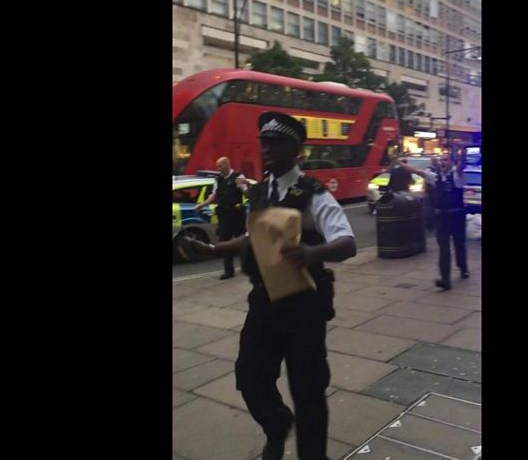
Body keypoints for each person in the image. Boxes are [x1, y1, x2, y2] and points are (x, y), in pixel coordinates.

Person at [183, 111, 356, 460]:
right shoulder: (261, 191)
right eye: (265, 143)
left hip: (303, 308)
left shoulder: (313, 193)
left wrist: (312, 252)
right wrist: (214, 248)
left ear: (296, 150)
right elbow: (253, 238)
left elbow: (347, 242)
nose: (268, 150)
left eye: (277, 143)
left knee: (307, 392)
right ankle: (277, 424)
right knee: (250, 378)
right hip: (264, 303)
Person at [396, 153, 470, 290]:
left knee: (459, 244)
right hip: (442, 218)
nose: (443, 162)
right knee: (444, 249)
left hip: (457, 217)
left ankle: (463, 267)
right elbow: (416, 171)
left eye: (446, 160)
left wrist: (462, 154)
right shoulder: (434, 177)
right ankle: (445, 279)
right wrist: (400, 164)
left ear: (451, 162)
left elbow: (461, 165)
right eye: (441, 160)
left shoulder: (457, 176)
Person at [194, 156, 249, 279]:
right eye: (217, 166)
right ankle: (228, 270)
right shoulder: (218, 180)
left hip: (236, 215)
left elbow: (246, 192)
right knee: (224, 243)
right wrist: (201, 205)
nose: (218, 169)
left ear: (227, 164)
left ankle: (248, 266)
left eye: (220, 166)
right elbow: (213, 195)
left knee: (242, 243)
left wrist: (246, 185)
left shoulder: (238, 177)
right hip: (224, 216)